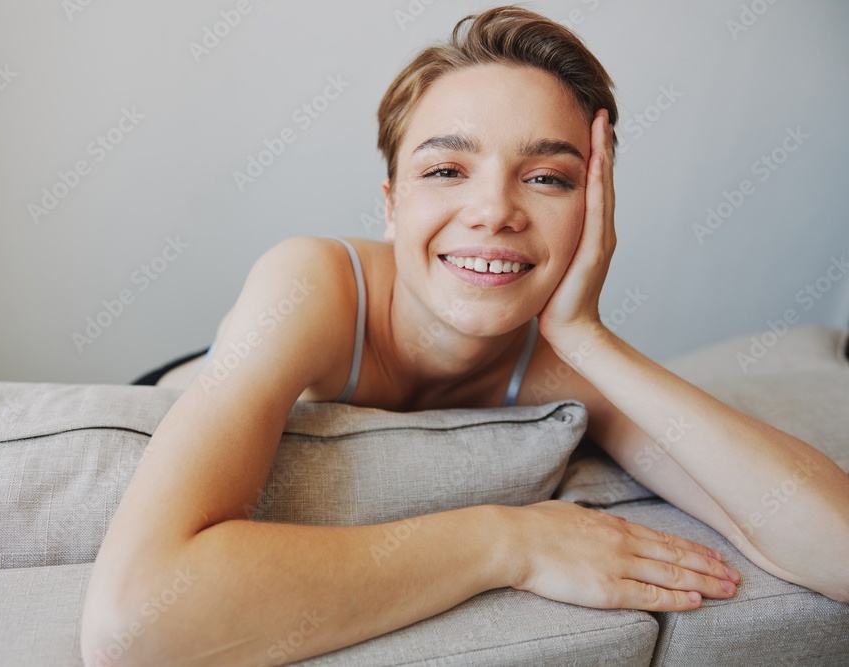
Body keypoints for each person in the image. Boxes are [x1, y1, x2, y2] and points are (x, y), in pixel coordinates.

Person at [81, 6, 849, 665]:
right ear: (390, 203)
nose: (495, 210)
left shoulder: (563, 360)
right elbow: (136, 621)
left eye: (548, 177)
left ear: (596, 210)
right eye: (447, 169)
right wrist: (510, 542)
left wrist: (588, 337)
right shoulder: (309, 282)